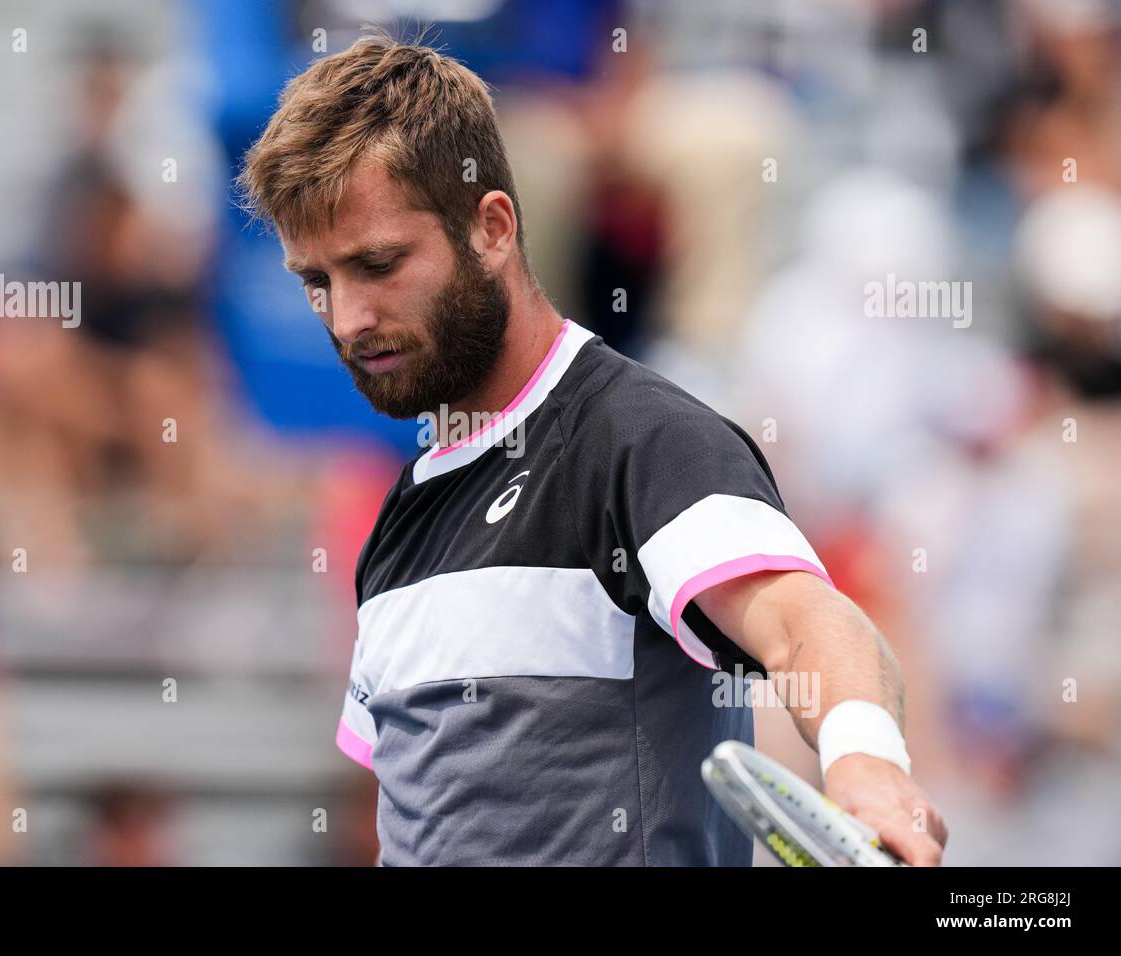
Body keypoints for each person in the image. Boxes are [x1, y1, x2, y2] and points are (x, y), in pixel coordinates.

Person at [237, 30, 947, 866]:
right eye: (316, 282)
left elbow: (806, 623)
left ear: (492, 227)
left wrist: (866, 764)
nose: (348, 318)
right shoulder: (400, 522)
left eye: (379, 264)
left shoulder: (640, 440)